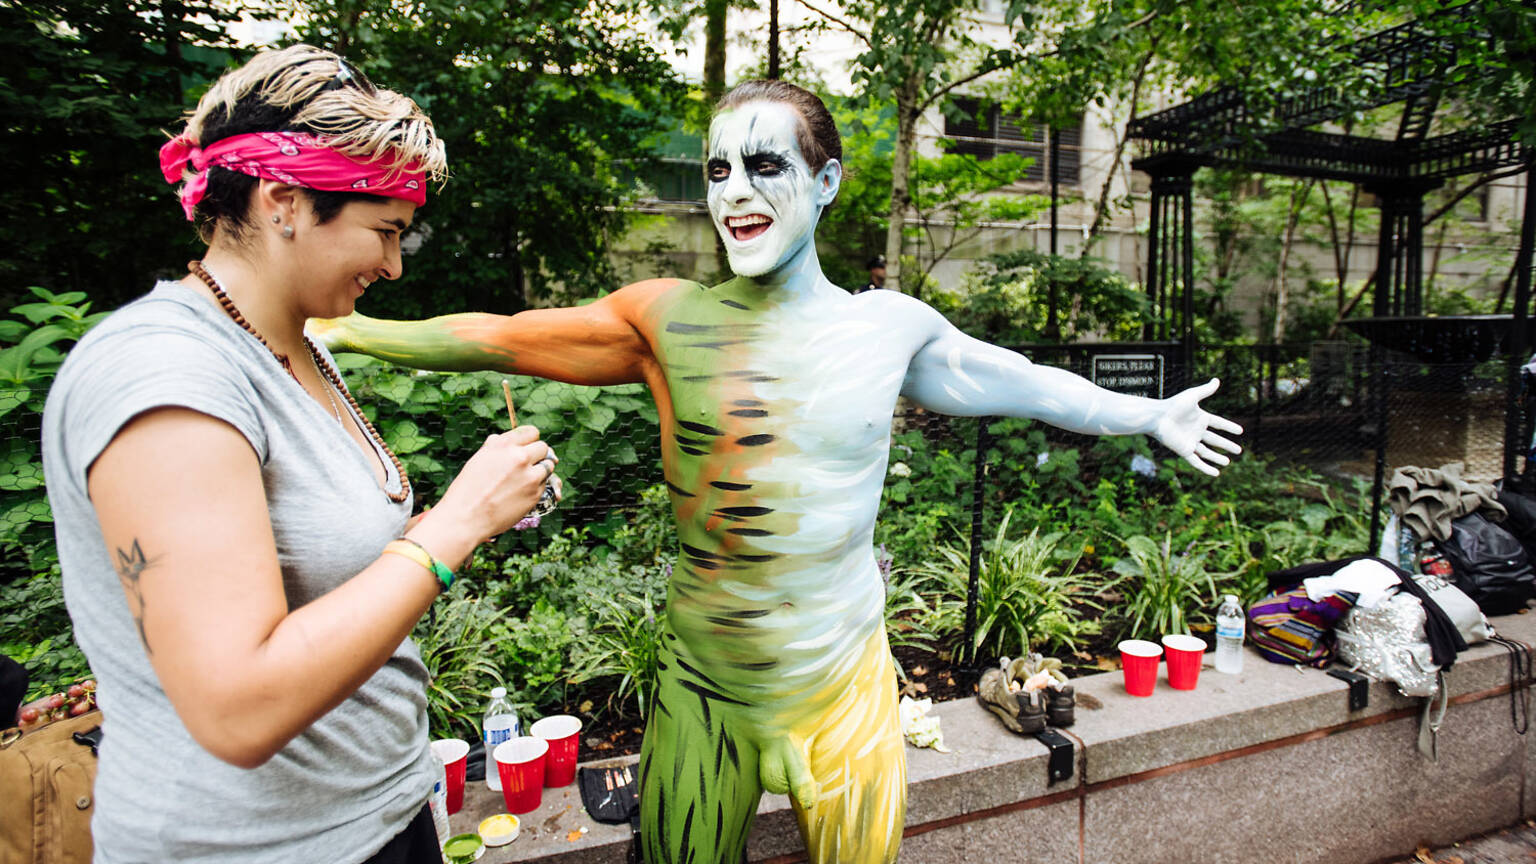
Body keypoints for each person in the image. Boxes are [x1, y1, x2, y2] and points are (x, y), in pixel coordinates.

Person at [312, 79, 1243, 864]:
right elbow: (500, 337)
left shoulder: (888, 328)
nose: (736, 193)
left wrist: (1148, 414)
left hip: (843, 686)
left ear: (826, 181)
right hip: (703, 688)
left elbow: (1028, 382)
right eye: (718, 170)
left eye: (766, 166)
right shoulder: (666, 317)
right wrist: (347, 330)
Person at [41, 45, 557, 863]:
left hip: (378, 818)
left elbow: (320, 578)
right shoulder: (165, 373)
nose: (393, 265)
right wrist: (455, 525)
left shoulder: (295, 350)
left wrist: (471, 511)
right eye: (384, 232)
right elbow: (239, 707)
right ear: (284, 201)